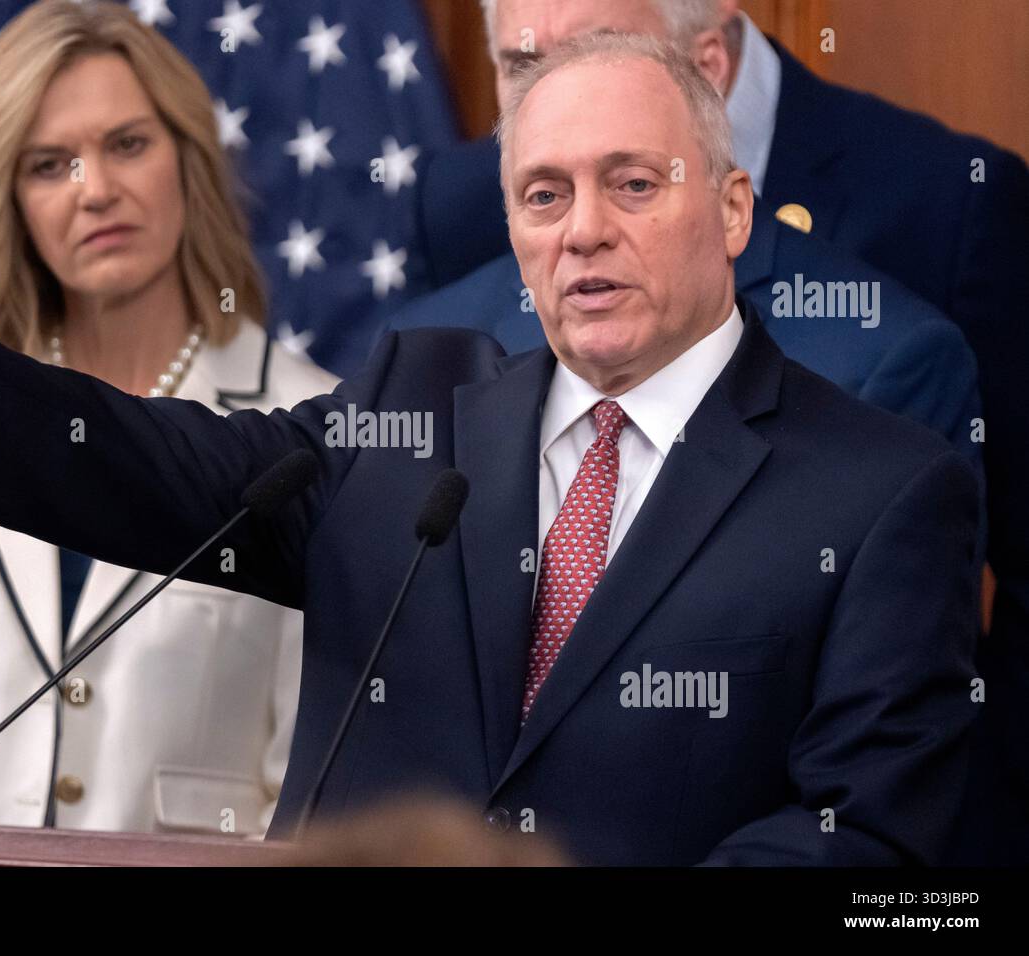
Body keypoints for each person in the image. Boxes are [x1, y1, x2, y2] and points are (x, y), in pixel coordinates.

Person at [0, 32, 980, 865]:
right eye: (544, 195)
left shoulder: (878, 492)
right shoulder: (418, 411)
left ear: (729, 207)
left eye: (632, 184)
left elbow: (862, 843)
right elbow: (155, 470)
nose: (584, 232)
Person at [414, 2, 1029, 863]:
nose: (581, 228)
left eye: (603, 52)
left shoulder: (942, 209)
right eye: (521, 67)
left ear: (708, 62)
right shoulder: (450, 221)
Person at [0, 0, 337, 836]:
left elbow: (310, 809)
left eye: (127, 144)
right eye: (50, 164)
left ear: (188, 160)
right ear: (7, 197)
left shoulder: (305, 424)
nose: (97, 192)